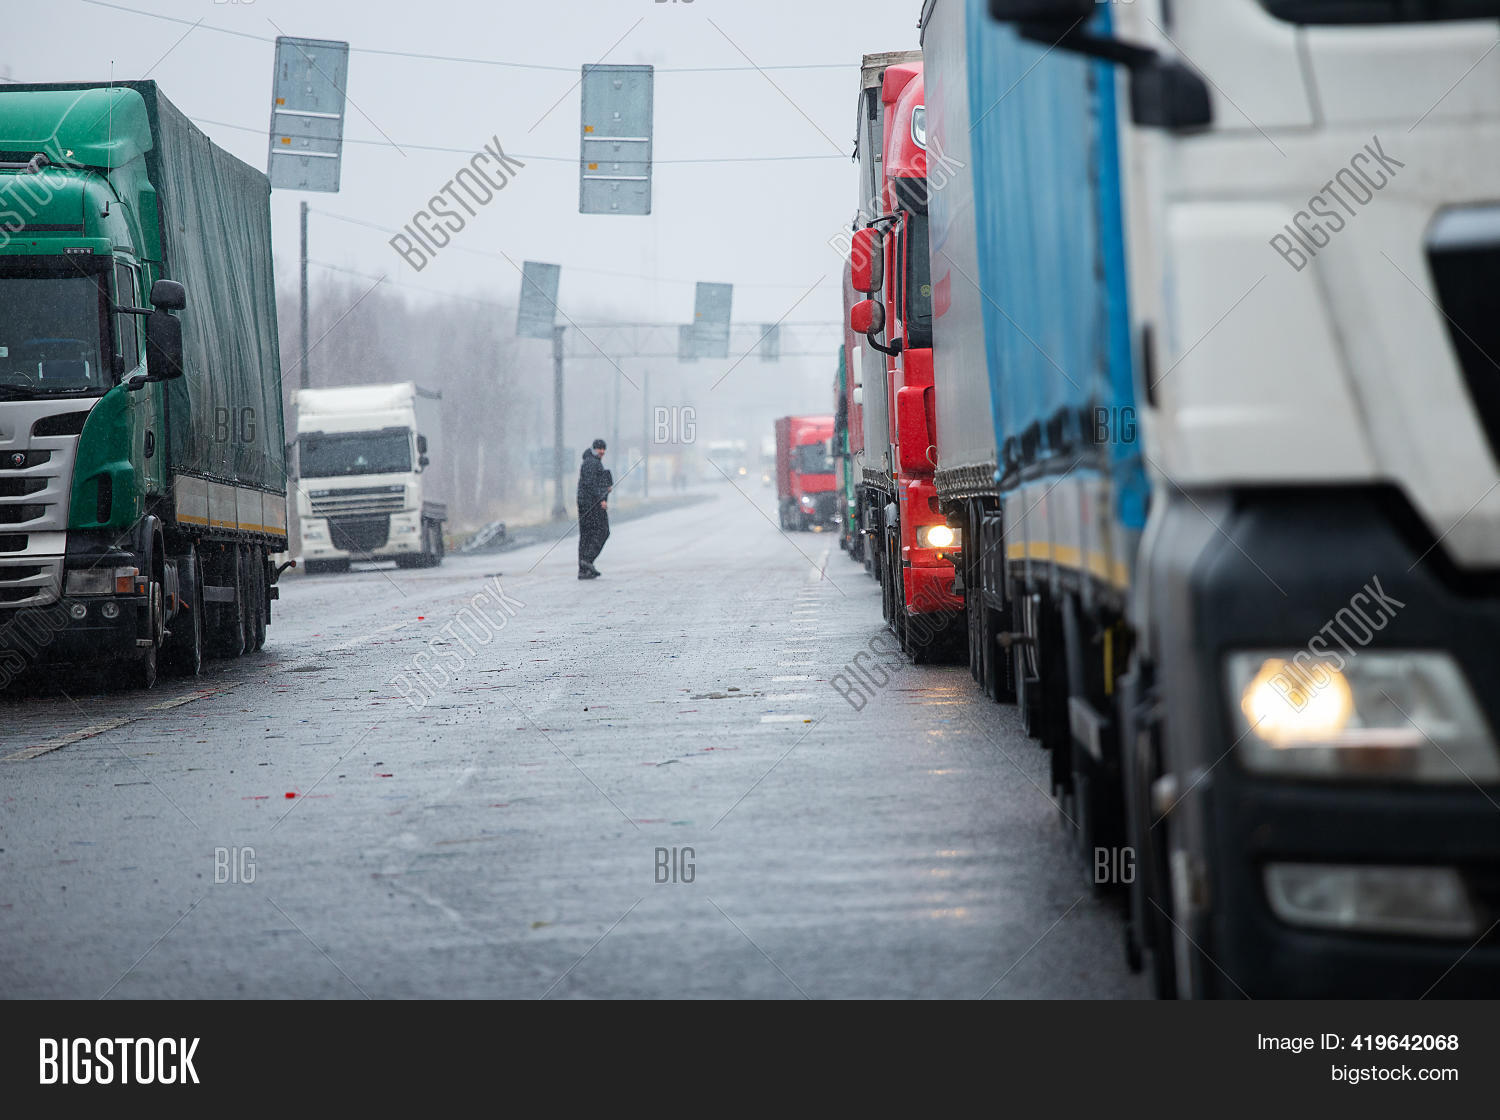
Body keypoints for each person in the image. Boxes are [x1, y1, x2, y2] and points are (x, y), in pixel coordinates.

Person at [577, 438, 612, 579]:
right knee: (603, 531)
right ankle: (587, 561)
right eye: (600, 448)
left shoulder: (588, 461)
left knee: (586, 535)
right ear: (594, 448)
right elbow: (591, 485)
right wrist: (601, 499)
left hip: (583, 503)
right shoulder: (592, 463)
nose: (602, 451)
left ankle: (584, 569)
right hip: (592, 504)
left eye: (604, 449)